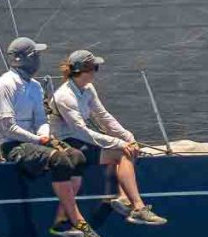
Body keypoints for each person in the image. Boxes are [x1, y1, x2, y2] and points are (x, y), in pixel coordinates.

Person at [0, 37, 95, 237]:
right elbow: (8, 127)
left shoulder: (35, 86)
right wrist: (38, 138)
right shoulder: (5, 85)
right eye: (35, 55)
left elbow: (41, 120)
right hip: (12, 144)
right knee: (61, 161)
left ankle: (62, 220)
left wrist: (43, 134)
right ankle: (77, 221)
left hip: (35, 141)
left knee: (77, 157)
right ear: (24, 59)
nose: (38, 59)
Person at [53, 50, 166, 226]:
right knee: (122, 153)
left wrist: (127, 136)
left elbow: (103, 117)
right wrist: (119, 143)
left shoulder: (87, 89)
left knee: (125, 148)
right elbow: (80, 131)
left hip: (80, 139)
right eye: (95, 67)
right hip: (67, 143)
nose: (97, 71)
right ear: (85, 70)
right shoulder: (65, 97)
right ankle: (137, 207)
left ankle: (123, 198)